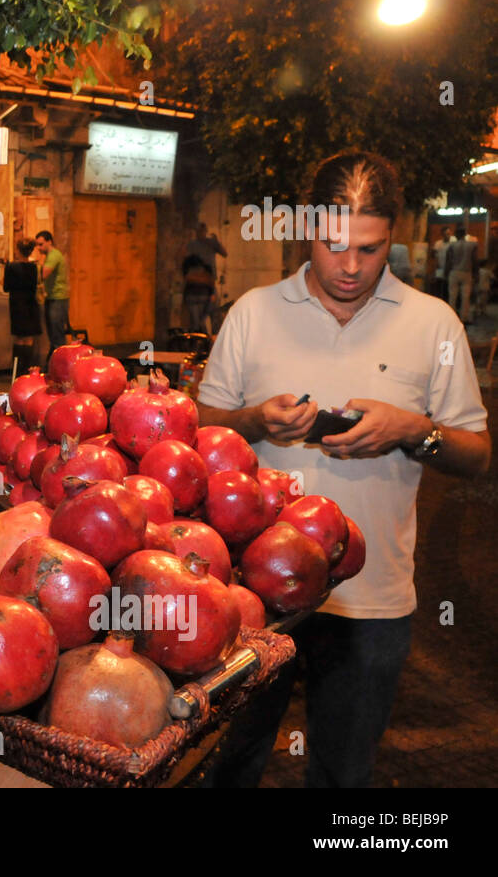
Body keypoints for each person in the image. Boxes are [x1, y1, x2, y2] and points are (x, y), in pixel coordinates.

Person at [195, 150, 490, 788]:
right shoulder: (253, 311)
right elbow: (202, 425)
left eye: (370, 248)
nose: (351, 266)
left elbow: (474, 456)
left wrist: (415, 432)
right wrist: (254, 422)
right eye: (334, 245)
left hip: (371, 603)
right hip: (254, 599)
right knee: (230, 768)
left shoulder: (434, 323)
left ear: (395, 237)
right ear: (306, 227)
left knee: (344, 776)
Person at [2, 239, 42, 373]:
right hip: (31, 303)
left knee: (19, 337)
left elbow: (6, 287)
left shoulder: (11, 266)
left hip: (17, 304)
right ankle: (27, 370)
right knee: (29, 338)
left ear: (18, 250)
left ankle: (16, 370)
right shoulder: (33, 267)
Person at [181, 221, 227, 333]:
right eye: (199, 231)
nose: (201, 233)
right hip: (199, 285)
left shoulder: (210, 243)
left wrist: (216, 242)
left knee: (213, 314)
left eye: (202, 231)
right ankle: (203, 337)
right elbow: (183, 257)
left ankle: (210, 337)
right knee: (200, 317)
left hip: (208, 283)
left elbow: (224, 253)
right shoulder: (193, 244)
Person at [35, 230, 70, 354]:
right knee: (53, 335)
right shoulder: (50, 256)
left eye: (41, 244)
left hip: (58, 299)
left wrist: (33, 267)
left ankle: (62, 366)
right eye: (37, 245)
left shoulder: (54, 255)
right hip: (53, 298)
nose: (38, 248)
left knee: (57, 336)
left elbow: (44, 274)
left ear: (49, 241)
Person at [444, 228, 478, 324]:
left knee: (452, 296)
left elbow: (448, 260)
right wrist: (476, 273)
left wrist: (446, 273)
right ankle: (464, 317)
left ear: (456, 235)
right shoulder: (472, 245)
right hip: (467, 272)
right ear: (464, 235)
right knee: (465, 296)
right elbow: (474, 260)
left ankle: (452, 317)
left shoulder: (452, 246)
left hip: (454, 272)